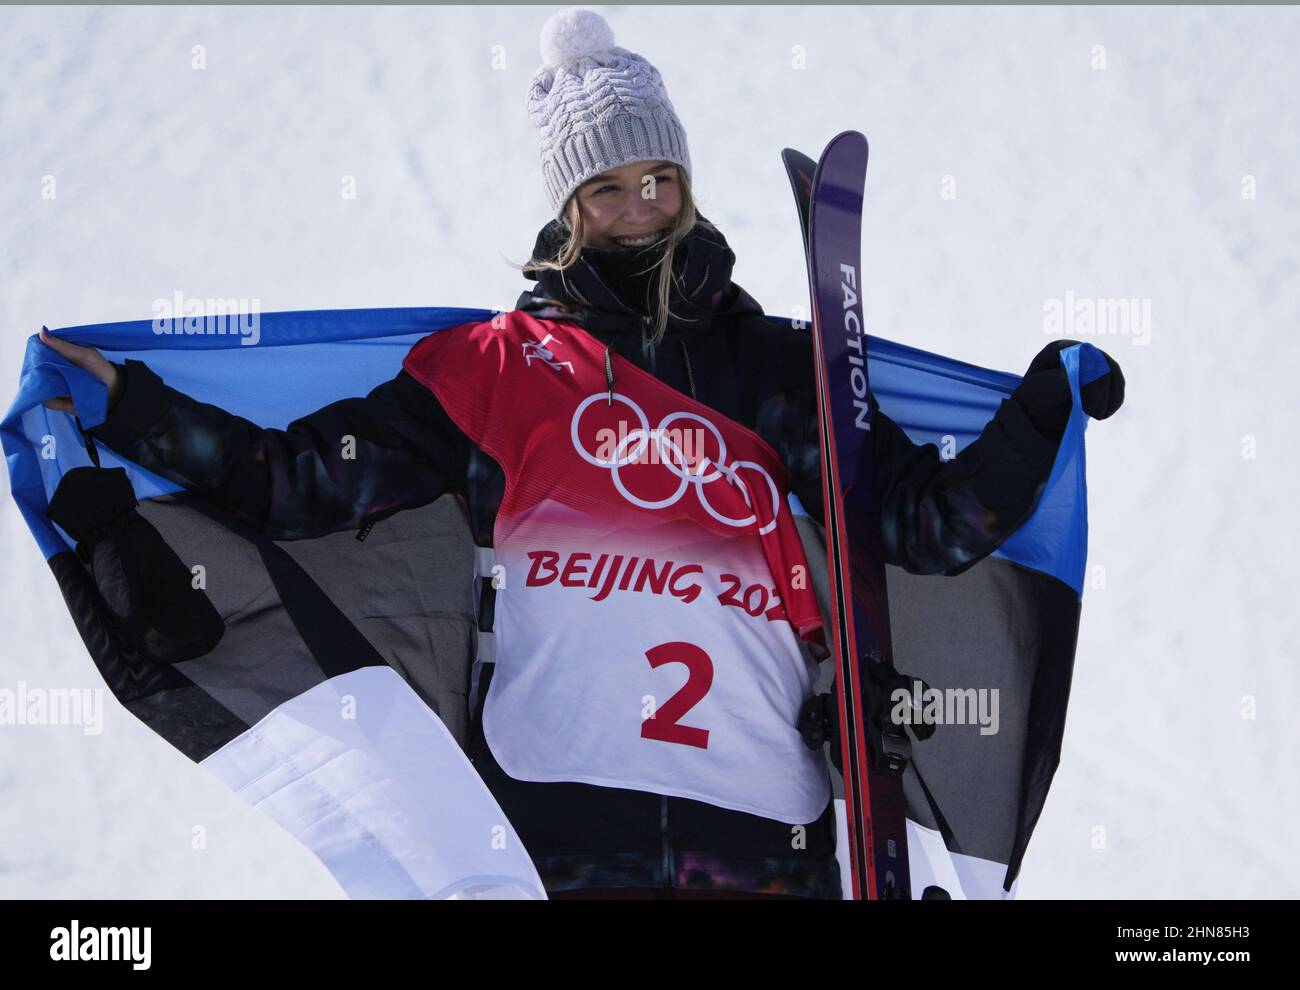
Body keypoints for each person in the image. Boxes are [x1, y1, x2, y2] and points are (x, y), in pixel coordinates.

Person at [38, 8, 1124, 900]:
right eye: (608, 189)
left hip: (760, 833)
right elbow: (299, 484)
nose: (642, 209)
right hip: (559, 825)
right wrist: (133, 407)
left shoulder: (776, 373)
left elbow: (924, 528)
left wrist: (1041, 407)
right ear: (565, 207)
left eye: (660, 178)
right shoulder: (492, 369)